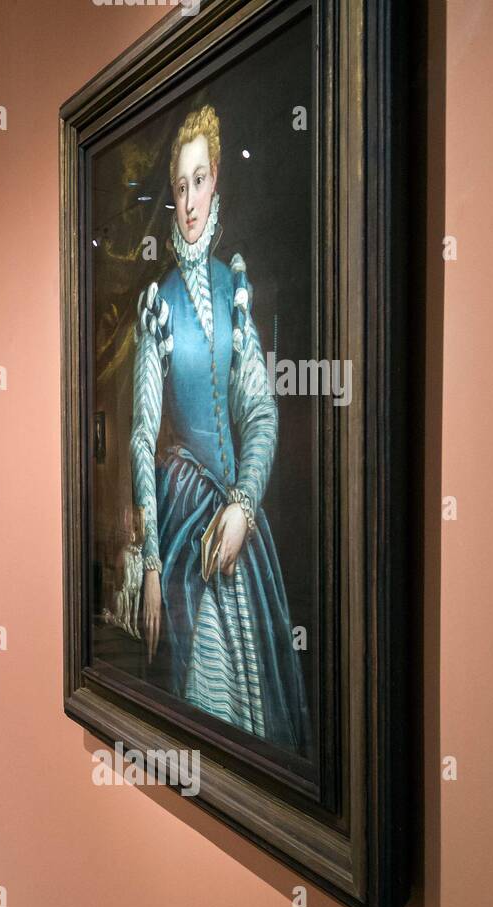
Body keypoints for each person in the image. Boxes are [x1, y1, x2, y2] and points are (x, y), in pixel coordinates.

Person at [129, 104, 309, 752]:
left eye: (198, 181)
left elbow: (261, 412)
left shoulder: (235, 288)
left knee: (258, 705)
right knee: (200, 691)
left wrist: (243, 507)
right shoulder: (158, 305)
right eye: (179, 187)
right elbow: (142, 435)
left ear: (216, 186)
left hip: (236, 522)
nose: (189, 200)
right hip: (180, 519)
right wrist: (151, 560)